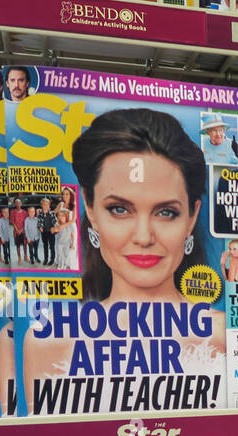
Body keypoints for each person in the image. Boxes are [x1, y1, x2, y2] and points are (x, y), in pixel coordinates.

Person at [16, 108, 224, 409]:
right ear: (90, 208)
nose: (143, 236)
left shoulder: (226, 335)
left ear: (191, 217)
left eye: (166, 212)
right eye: (120, 209)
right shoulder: (47, 342)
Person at [52, 207, 77, 272]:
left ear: (66, 216)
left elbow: (72, 235)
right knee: (60, 254)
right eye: (59, 216)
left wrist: (72, 244)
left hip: (67, 243)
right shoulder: (58, 224)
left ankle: (65, 264)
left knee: (66, 254)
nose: (61, 217)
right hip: (59, 243)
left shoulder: (70, 224)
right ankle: (60, 265)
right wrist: (54, 230)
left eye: (63, 216)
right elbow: (53, 230)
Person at [37, 197, 57, 265]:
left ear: (49, 205)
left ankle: (52, 259)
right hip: (44, 232)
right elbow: (39, 223)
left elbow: (55, 222)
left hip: (51, 232)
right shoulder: (40, 214)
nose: (45, 206)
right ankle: (46, 259)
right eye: (44, 204)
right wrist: (40, 227)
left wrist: (54, 227)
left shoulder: (52, 213)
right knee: (45, 246)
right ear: (41, 205)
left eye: (47, 204)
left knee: (52, 246)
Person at [9, 198, 28, 263]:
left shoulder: (25, 212)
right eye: (16, 203)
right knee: (18, 245)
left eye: (19, 203)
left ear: (21, 204)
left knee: (25, 244)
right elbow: (12, 221)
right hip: (16, 231)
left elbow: (26, 222)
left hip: (23, 231)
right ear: (15, 204)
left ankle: (25, 256)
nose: (18, 204)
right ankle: (19, 258)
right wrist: (17, 230)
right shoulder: (12, 212)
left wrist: (22, 229)